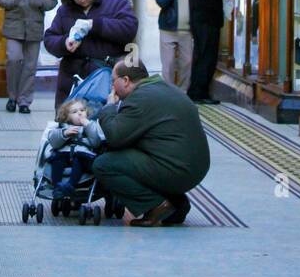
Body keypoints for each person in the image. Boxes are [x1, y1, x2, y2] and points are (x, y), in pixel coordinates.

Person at [89, 60, 211, 226]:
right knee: (139, 155)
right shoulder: (164, 88)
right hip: (195, 168)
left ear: (125, 80)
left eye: (113, 81)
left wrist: (109, 107)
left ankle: (156, 206)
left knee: (104, 164)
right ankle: (177, 204)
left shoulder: (139, 99)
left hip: (177, 169)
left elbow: (115, 137)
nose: (112, 87)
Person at [43, 0, 137, 108]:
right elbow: (50, 39)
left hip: (106, 75)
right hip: (73, 79)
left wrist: (95, 25)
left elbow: (129, 28)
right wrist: (65, 43)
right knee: (70, 126)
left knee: (104, 123)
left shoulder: (115, 2)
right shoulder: (65, 10)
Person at [0, 0, 57, 114]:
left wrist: (42, 4)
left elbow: (53, 0)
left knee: (30, 66)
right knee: (13, 59)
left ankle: (24, 101)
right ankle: (12, 97)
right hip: (14, 25)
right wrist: (13, 3)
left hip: (35, 27)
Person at [187, 0, 235, 105]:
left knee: (200, 55)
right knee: (207, 57)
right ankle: (200, 93)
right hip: (208, 21)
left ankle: (195, 91)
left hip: (198, 19)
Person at [45, 97, 103, 199]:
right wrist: (65, 133)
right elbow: (53, 141)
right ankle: (57, 187)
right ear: (67, 117)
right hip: (65, 153)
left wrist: (88, 126)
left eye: (82, 110)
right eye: (74, 112)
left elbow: (96, 142)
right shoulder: (62, 126)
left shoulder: (91, 125)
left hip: (83, 155)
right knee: (56, 160)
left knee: (79, 160)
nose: (80, 113)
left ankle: (70, 185)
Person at [154, 0, 193, 94]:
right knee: (168, 63)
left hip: (187, 31)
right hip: (168, 30)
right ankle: (168, 93)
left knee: (186, 63)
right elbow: (162, 2)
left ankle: (183, 92)